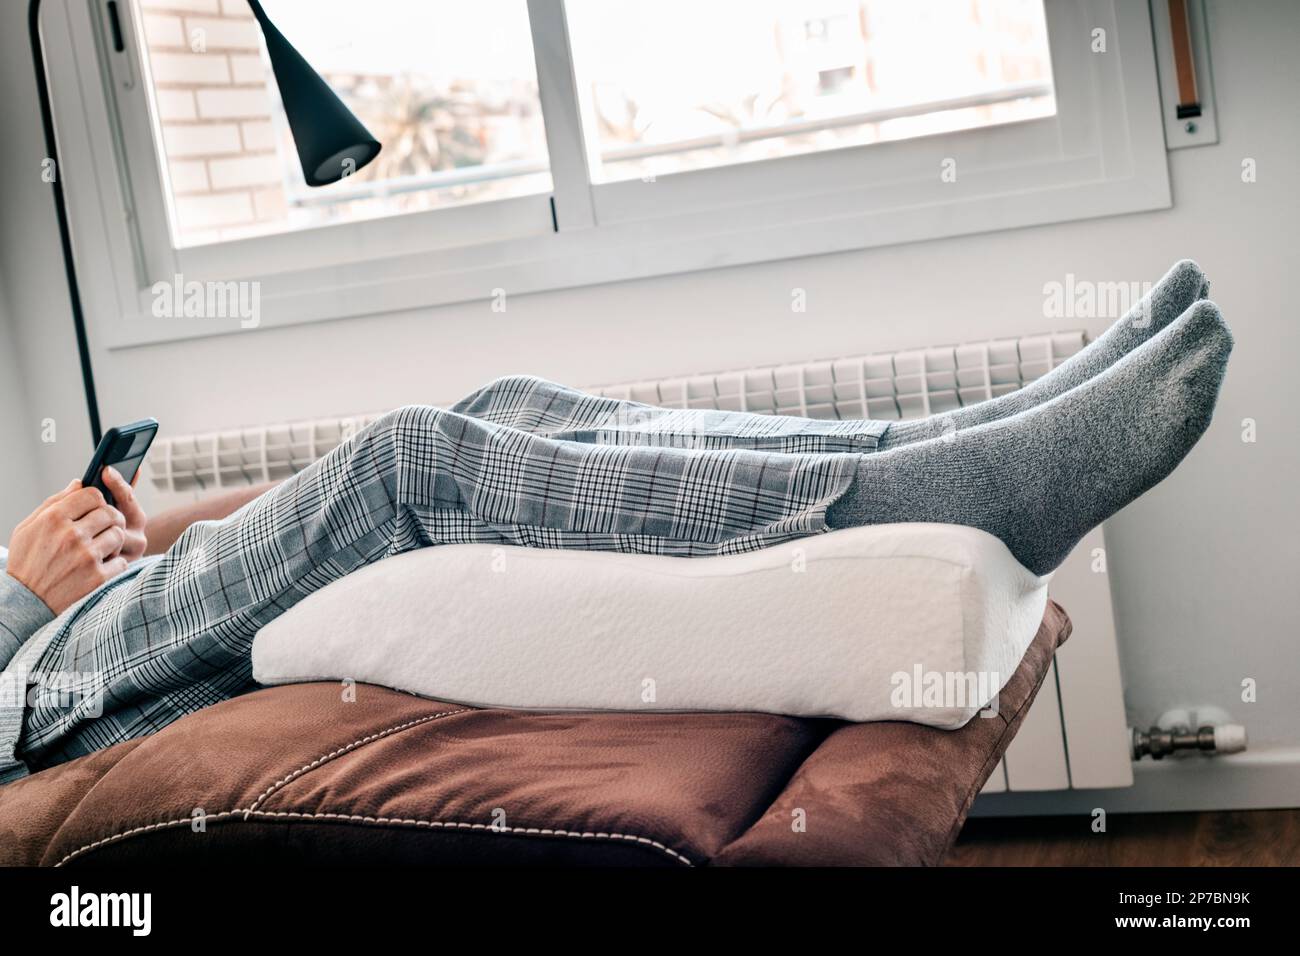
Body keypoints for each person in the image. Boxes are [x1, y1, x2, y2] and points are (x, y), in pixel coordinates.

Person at [0, 261, 1230, 783]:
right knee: (408, 460)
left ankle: (936, 439)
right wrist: (24, 589)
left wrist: (148, 528)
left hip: (89, 618)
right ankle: (939, 490)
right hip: (40, 696)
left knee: (498, 404)